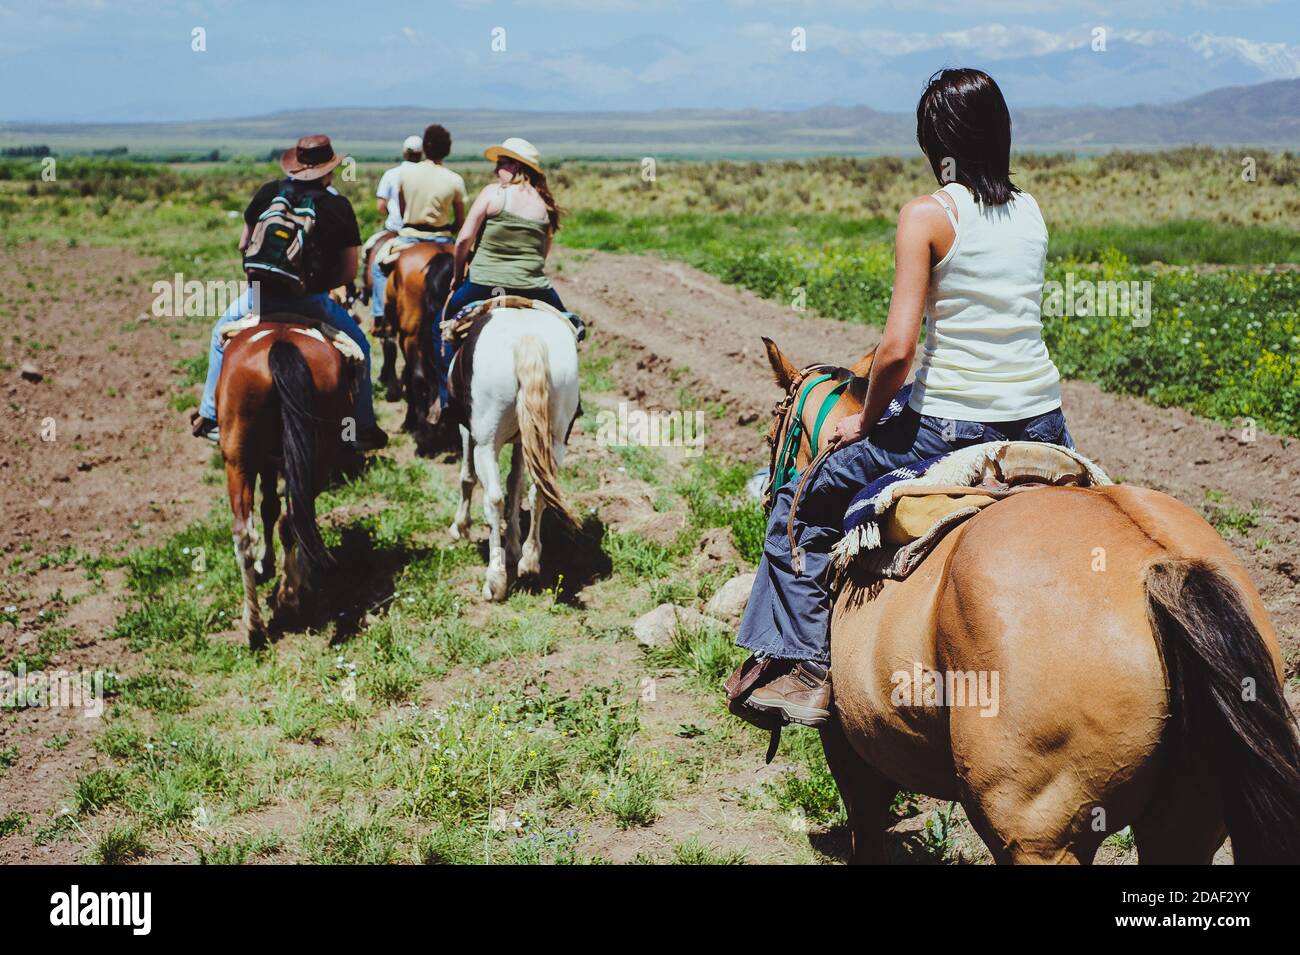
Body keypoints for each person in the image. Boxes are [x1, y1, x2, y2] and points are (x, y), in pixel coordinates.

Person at [735, 69, 1074, 728]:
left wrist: (861, 420)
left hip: (949, 426)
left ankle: (808, 666)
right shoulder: (1031, 211)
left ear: (934, 143)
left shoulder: (927, 214)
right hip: (1044, 421)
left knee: (804, 500)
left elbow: (895, 351)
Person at [190, 134, 387, 451]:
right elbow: (349, 271)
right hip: (311, 304)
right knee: (361, 349)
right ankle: (362, 427)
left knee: (218, 335)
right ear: (329, 170)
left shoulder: (269, 192)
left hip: (260, 298)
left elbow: (244, 245)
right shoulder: (337, 206)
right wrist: (316, 285)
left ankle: (210, 417)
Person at [436, 137, 567, 406]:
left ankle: (447, 397)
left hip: (484, 283)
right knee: (571, 328)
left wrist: (458, 275)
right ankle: (570, 400)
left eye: (502, 163)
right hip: (533, 288)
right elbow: (543, 254)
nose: (496, 170)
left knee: (442, 327)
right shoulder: (546, 205)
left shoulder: (493, 193)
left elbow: (463, 240)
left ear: (518, 167)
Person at [367, 135, 422, 328]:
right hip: (426, 232)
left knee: (375, 260)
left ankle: (379, 312)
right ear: (421, 153)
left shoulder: (391, 174)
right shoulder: (429, 173)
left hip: (397, 229)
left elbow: (381, 206)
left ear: (404, 153)